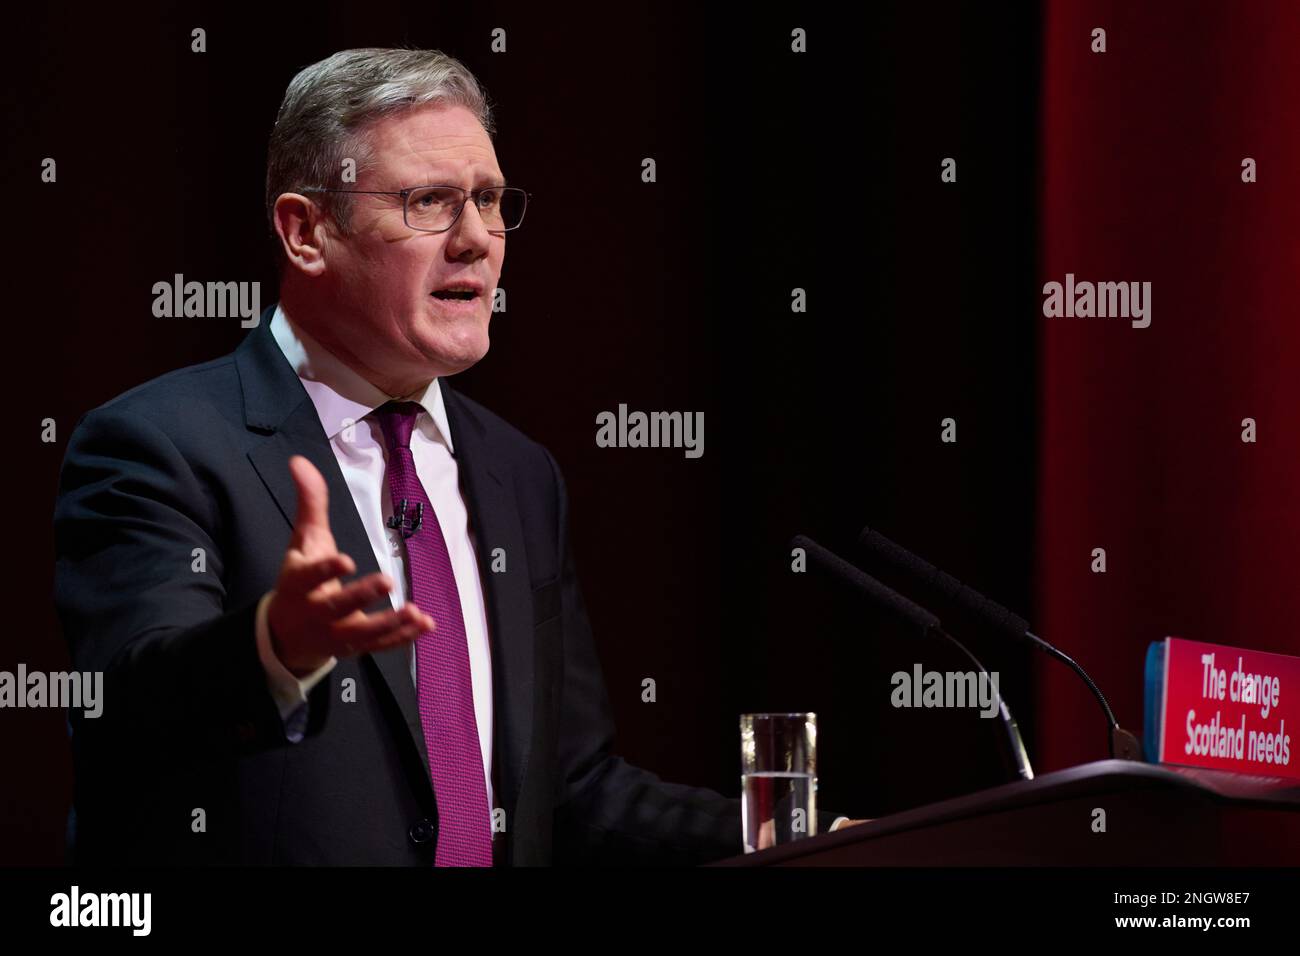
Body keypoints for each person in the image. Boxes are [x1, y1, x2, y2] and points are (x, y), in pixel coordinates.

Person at [53, 47, 856, 866]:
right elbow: (130, 708)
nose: (476, 239)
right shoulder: (160, 444)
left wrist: (804, 842)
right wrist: (275, 647)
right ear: (305, 231)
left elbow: (571, 789)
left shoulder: (518, 472)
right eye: (429, 201)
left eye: (490, 200)